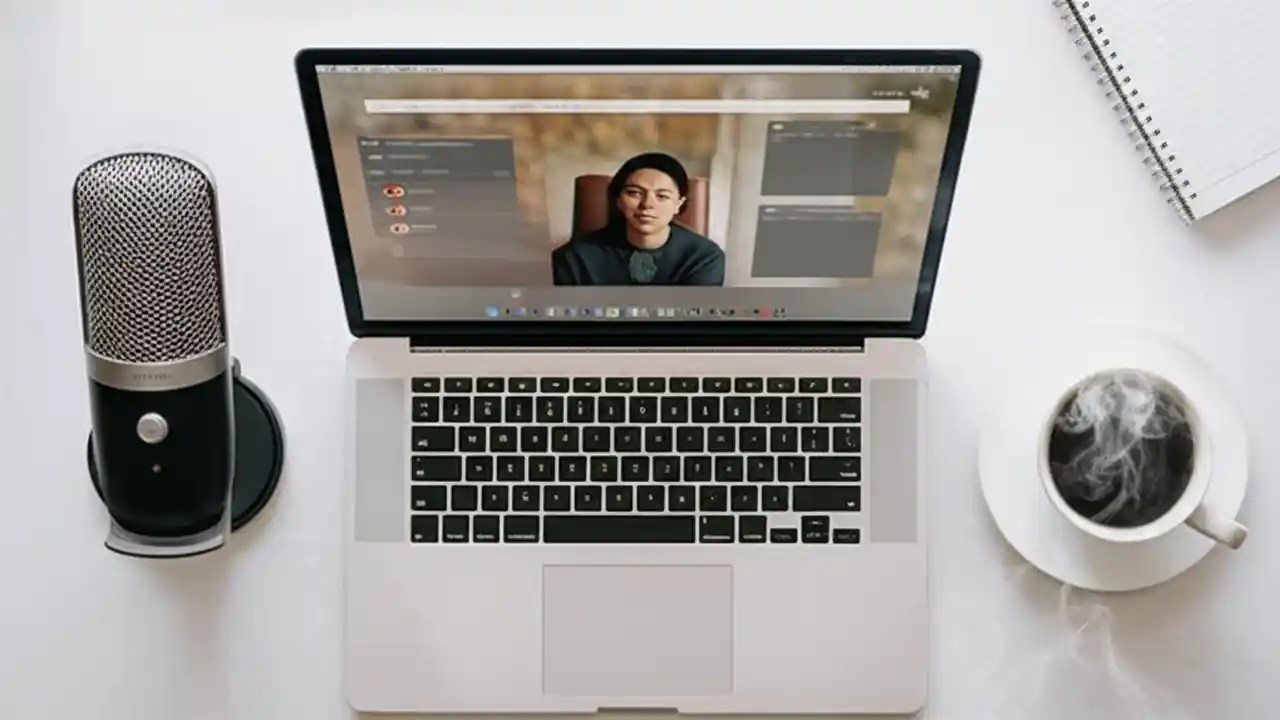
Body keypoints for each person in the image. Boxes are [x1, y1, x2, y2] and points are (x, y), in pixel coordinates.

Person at [552, 152, 725, 286]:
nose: (647, 204)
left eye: (662, 196)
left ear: (678, 205)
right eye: (634, 193)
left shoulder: (704, 258)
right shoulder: (575, 257)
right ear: (618, 200)